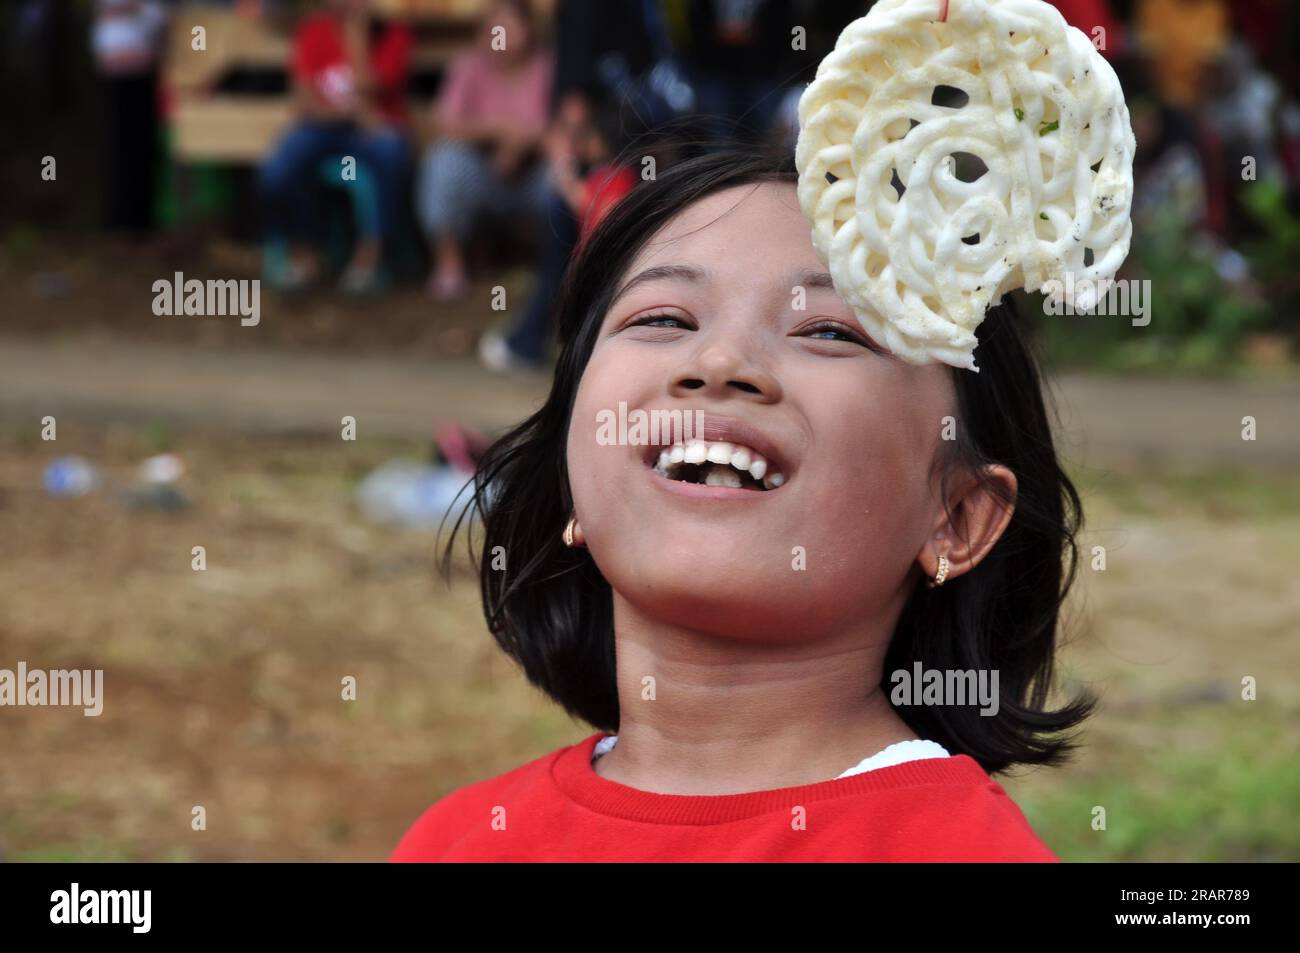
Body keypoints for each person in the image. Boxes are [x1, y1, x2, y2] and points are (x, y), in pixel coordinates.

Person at [390, 150, 1094, 862]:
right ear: (571, 475)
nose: (720, 361)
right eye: (664, 317)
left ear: (957, 515)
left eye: (826, 330)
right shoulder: (455, 842)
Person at [257, 0, 412, 293]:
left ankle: (370, 258)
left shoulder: (394, 34)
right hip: (325, 126)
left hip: (371, 135)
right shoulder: (314, 30)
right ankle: (302, 253)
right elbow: (303, 95)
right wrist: (353, 113)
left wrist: (356, 39)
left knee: (390, 150)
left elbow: (369, 86)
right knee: (285, 162)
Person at [417, 0, 553, 301]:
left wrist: (521, 144)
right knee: (443, 161)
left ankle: (557, 269)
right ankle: (448, 265)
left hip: (532, 176)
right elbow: (445, 124)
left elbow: (560, 128)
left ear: (529, 30)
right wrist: (496, 131)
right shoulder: (469, 66)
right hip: (482, 174)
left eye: (512, 26)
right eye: (496, 27)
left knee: (562, 168)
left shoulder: (547, 67)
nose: (503, 35)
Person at [93, 0, 169, 244]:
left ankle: (136, 222)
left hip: (139, 67)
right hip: (123, 69)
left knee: (138, 149)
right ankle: (123, 223)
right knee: (124, 148)